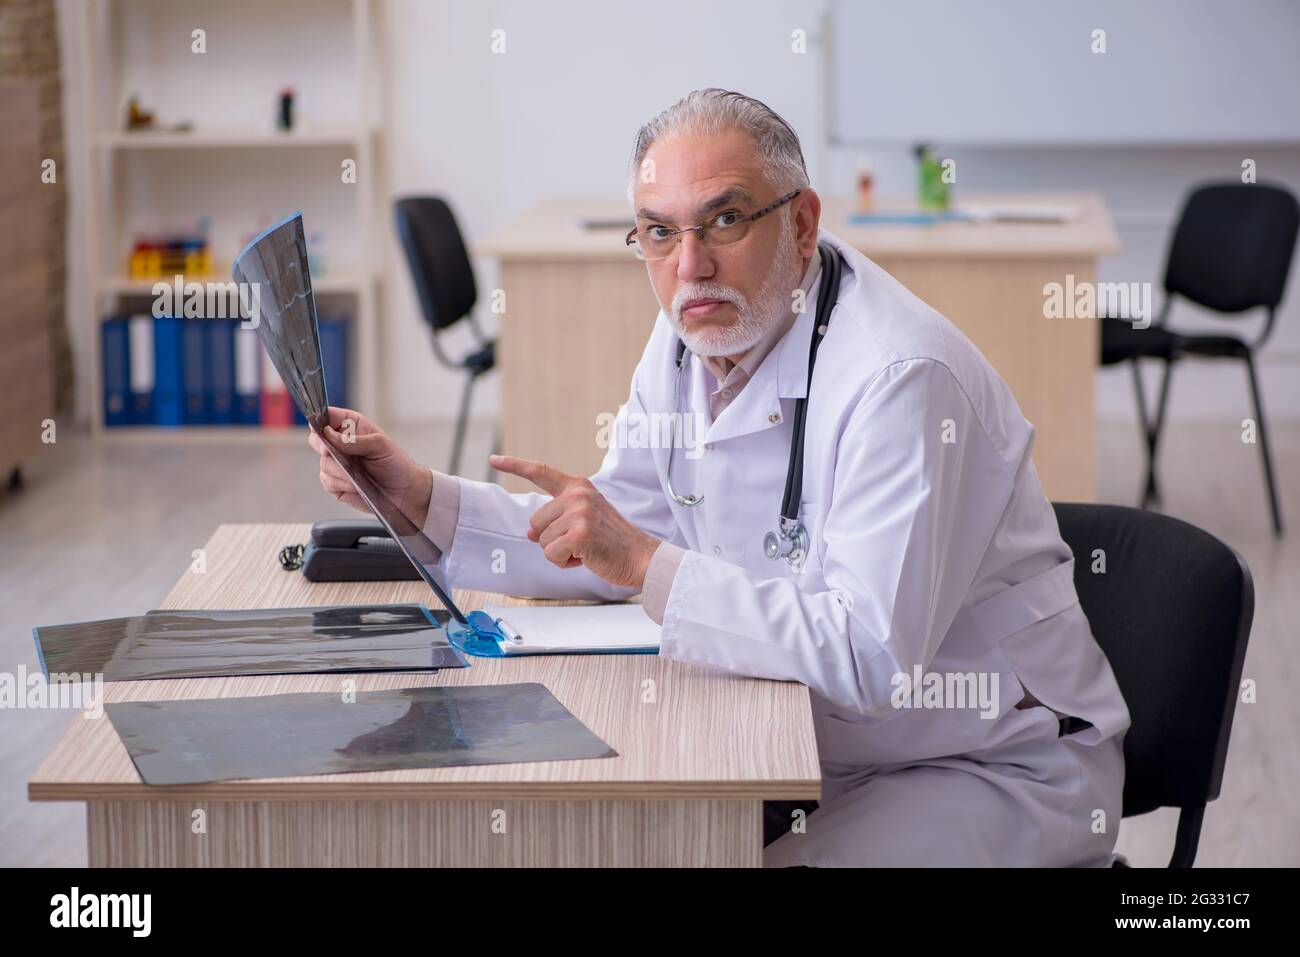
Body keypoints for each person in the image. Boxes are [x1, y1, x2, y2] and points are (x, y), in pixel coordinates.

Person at [312, 88, 1130, 867]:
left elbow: (871, 655)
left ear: (803, 223)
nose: (690, 264)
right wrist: (419, 496)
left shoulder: (901, 378)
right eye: (658, 233)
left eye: (725, 220)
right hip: (806, 742)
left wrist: (641, 561)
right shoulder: (689, 340)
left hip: (983, 762)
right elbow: (609, 532)